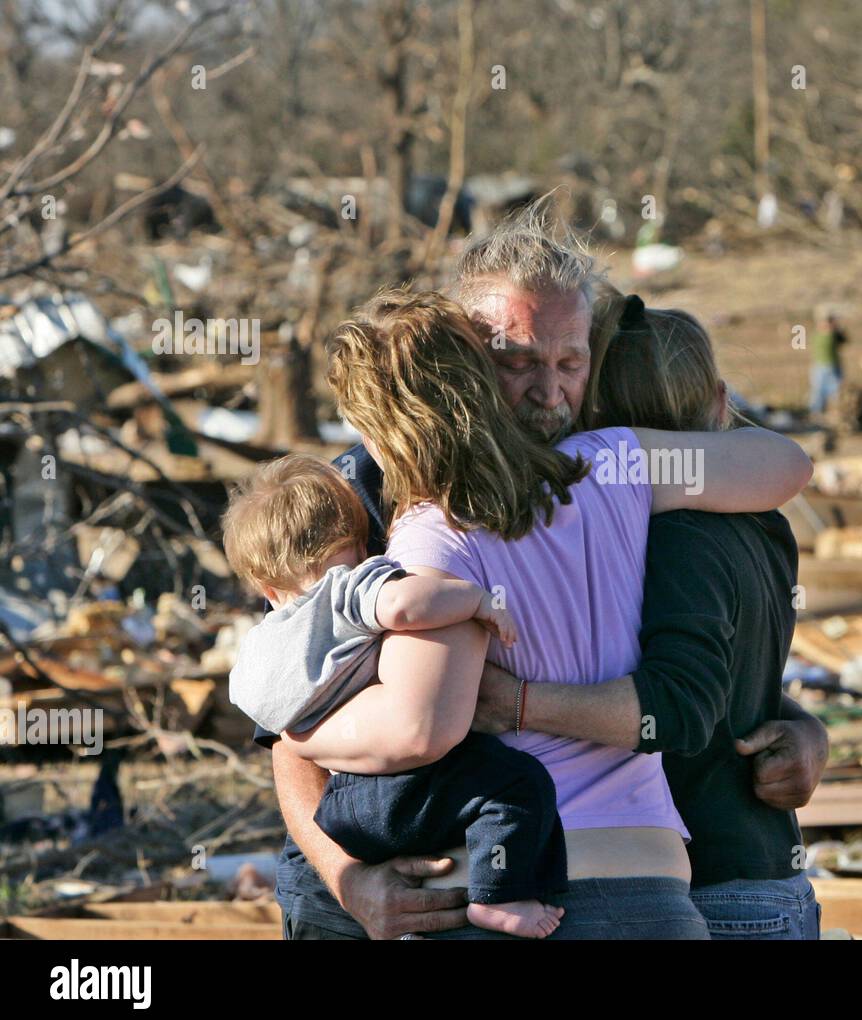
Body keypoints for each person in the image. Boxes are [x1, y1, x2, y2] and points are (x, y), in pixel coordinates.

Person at [259, 204, 826, 940]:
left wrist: (793, 719)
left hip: (592, 885)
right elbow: (287, 715)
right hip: (417, 885)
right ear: (463, 355)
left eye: (570, 361)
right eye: (518, 361)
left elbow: (780, 472)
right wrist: (347, 877)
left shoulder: (605, 466)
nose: (549, 392)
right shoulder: (373, 497)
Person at [474, 295, 828, 939]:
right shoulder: (764, 521)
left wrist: (516, 704)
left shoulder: (665, 537)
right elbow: (737, 672)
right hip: (765, 872)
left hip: (713, 890)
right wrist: (804, 724)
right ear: (719, 404)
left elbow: (682, 701)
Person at [223, 455, 564, 938]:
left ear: (265, 585)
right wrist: (476, 601)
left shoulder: (262, 644)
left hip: (340, 809)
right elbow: (405, 605)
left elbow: (265, 716)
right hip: (400, 792)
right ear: (360, 546)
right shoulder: (348, 588)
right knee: (515, 786)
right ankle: (499, 897)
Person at [809, 304, 848, 416]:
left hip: (832, 366)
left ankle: (837, 412)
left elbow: (844, 340)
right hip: (822, 366)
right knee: (819, 393)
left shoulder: (831, 334)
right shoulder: (822, 335)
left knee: (837, 392)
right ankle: (816, 413)